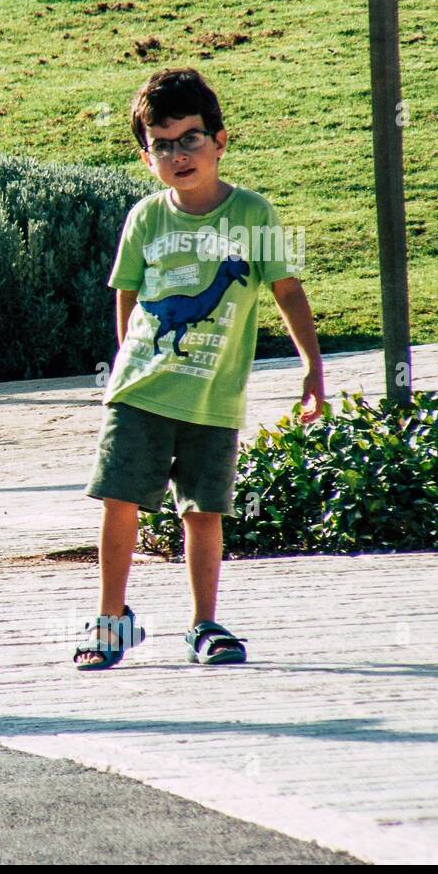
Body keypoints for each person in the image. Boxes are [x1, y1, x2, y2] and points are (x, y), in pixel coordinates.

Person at [75, 67, 326, 670]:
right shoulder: (146, 218)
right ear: (146, 156)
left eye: (190, 138)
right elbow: (128, 298)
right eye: (162, 144)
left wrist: (312, 367)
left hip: (214, 396)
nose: (178, 154)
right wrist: (123, 369)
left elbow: (287, 292)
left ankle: (203, 624)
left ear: (219, 140)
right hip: (140, 390)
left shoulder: (253, 215)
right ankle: (113, 620)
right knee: (118, 499)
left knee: (203, 510)